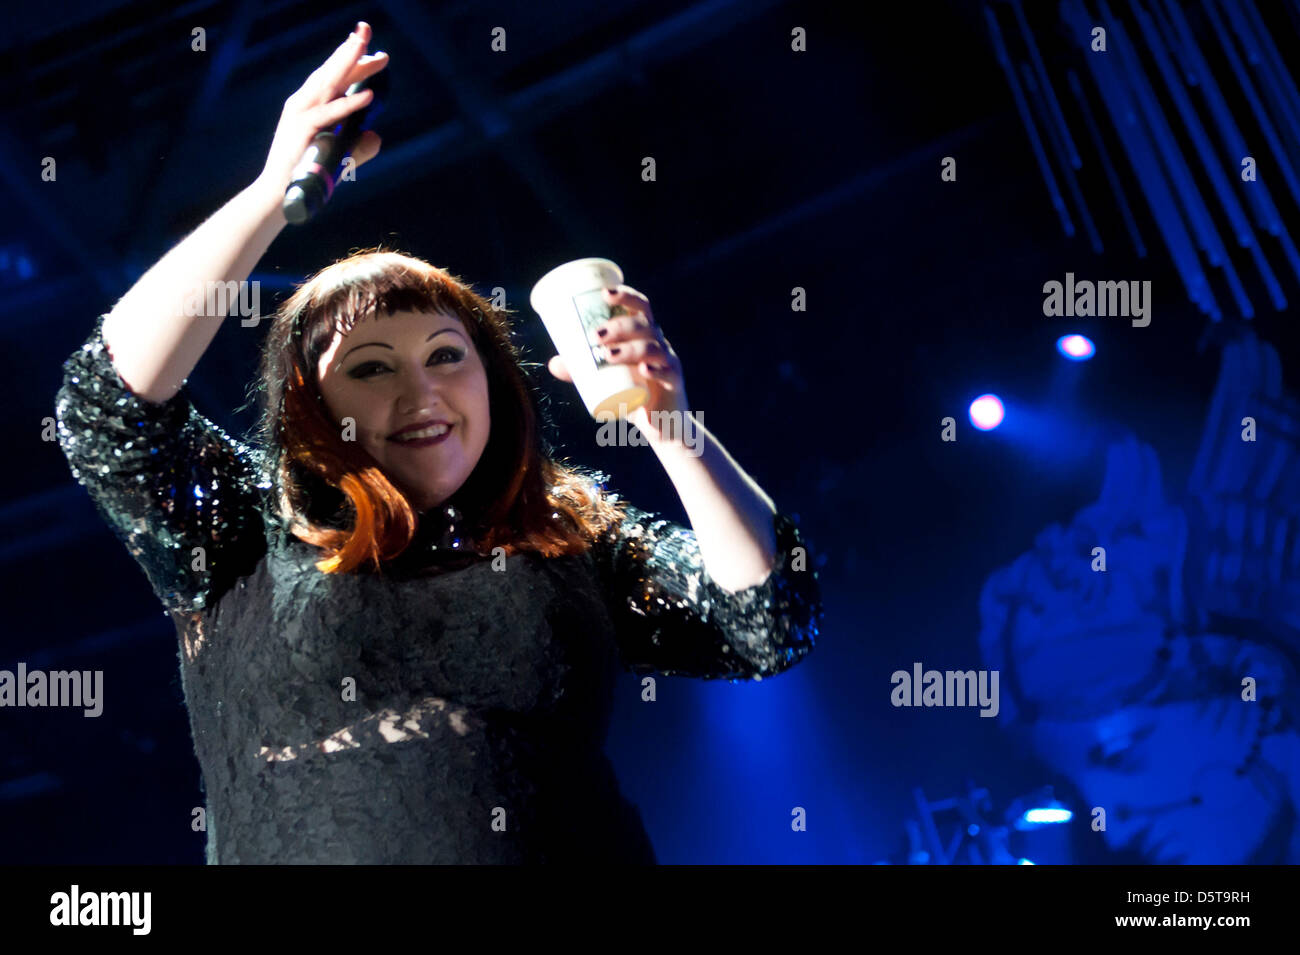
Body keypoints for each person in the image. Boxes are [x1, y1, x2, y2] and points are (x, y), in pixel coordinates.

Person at [53, 22, 821, 864]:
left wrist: (669, 420)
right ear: (309, 405)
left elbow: (766, 621)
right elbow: (107, 399)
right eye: (371, 366)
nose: (421, 392)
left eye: (447, 356)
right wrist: (275, 188)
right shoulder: (242, 531)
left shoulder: (569, 535)